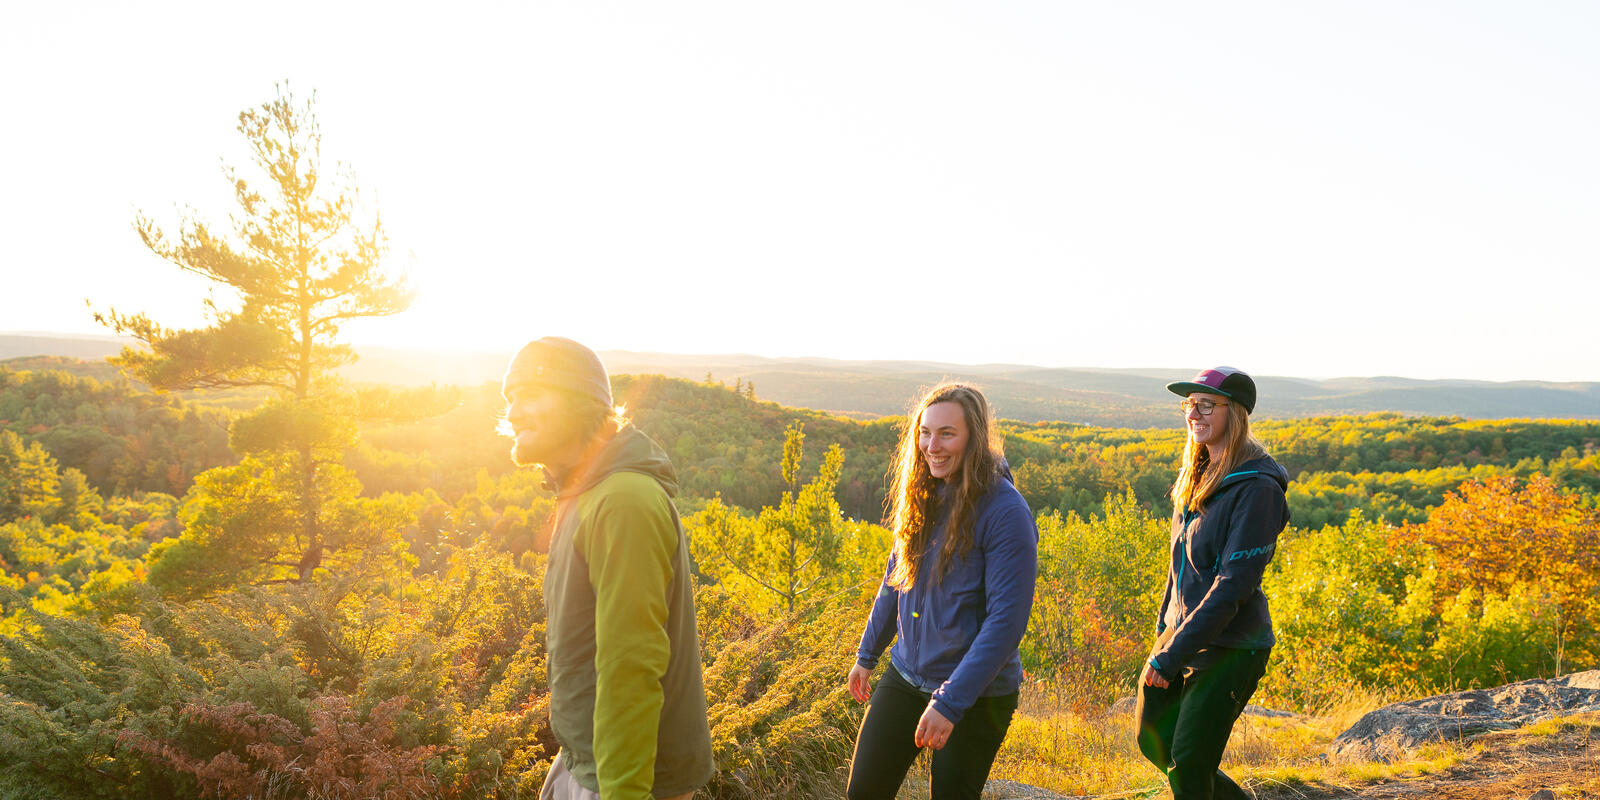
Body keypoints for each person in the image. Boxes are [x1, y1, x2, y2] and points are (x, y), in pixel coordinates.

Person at [501, 337, 714, 800]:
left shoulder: (622, 500)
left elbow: (629, 668)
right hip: (587, 761)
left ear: (582, 402)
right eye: (510, 398)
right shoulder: (585, 492)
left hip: (627, 781)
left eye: (531, 394)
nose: (514, 412)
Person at [846, 382, 1038, 800]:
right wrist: (867, 655)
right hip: (906, 674)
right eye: (925, 432)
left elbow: (1006, 624)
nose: (932, 445)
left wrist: (950, 703)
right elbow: (895, 579)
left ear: (974, 438)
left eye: (947, 433)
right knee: (863, 792)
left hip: (976, 694)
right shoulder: (923, 493)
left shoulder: (1005, 512)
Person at [1137, 367, 1290, 800]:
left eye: (1206, 404)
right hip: (1179, 634)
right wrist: (1165, 630)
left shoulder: (1257, 488)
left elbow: (1232, 586)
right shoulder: (1198, 472)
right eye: (1189, 404)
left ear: (1235, 413)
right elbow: (1177, 565)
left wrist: (1173, 655)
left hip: (1231, 647)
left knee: (1189, 763)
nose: (1194, 413)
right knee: (1154, 742)